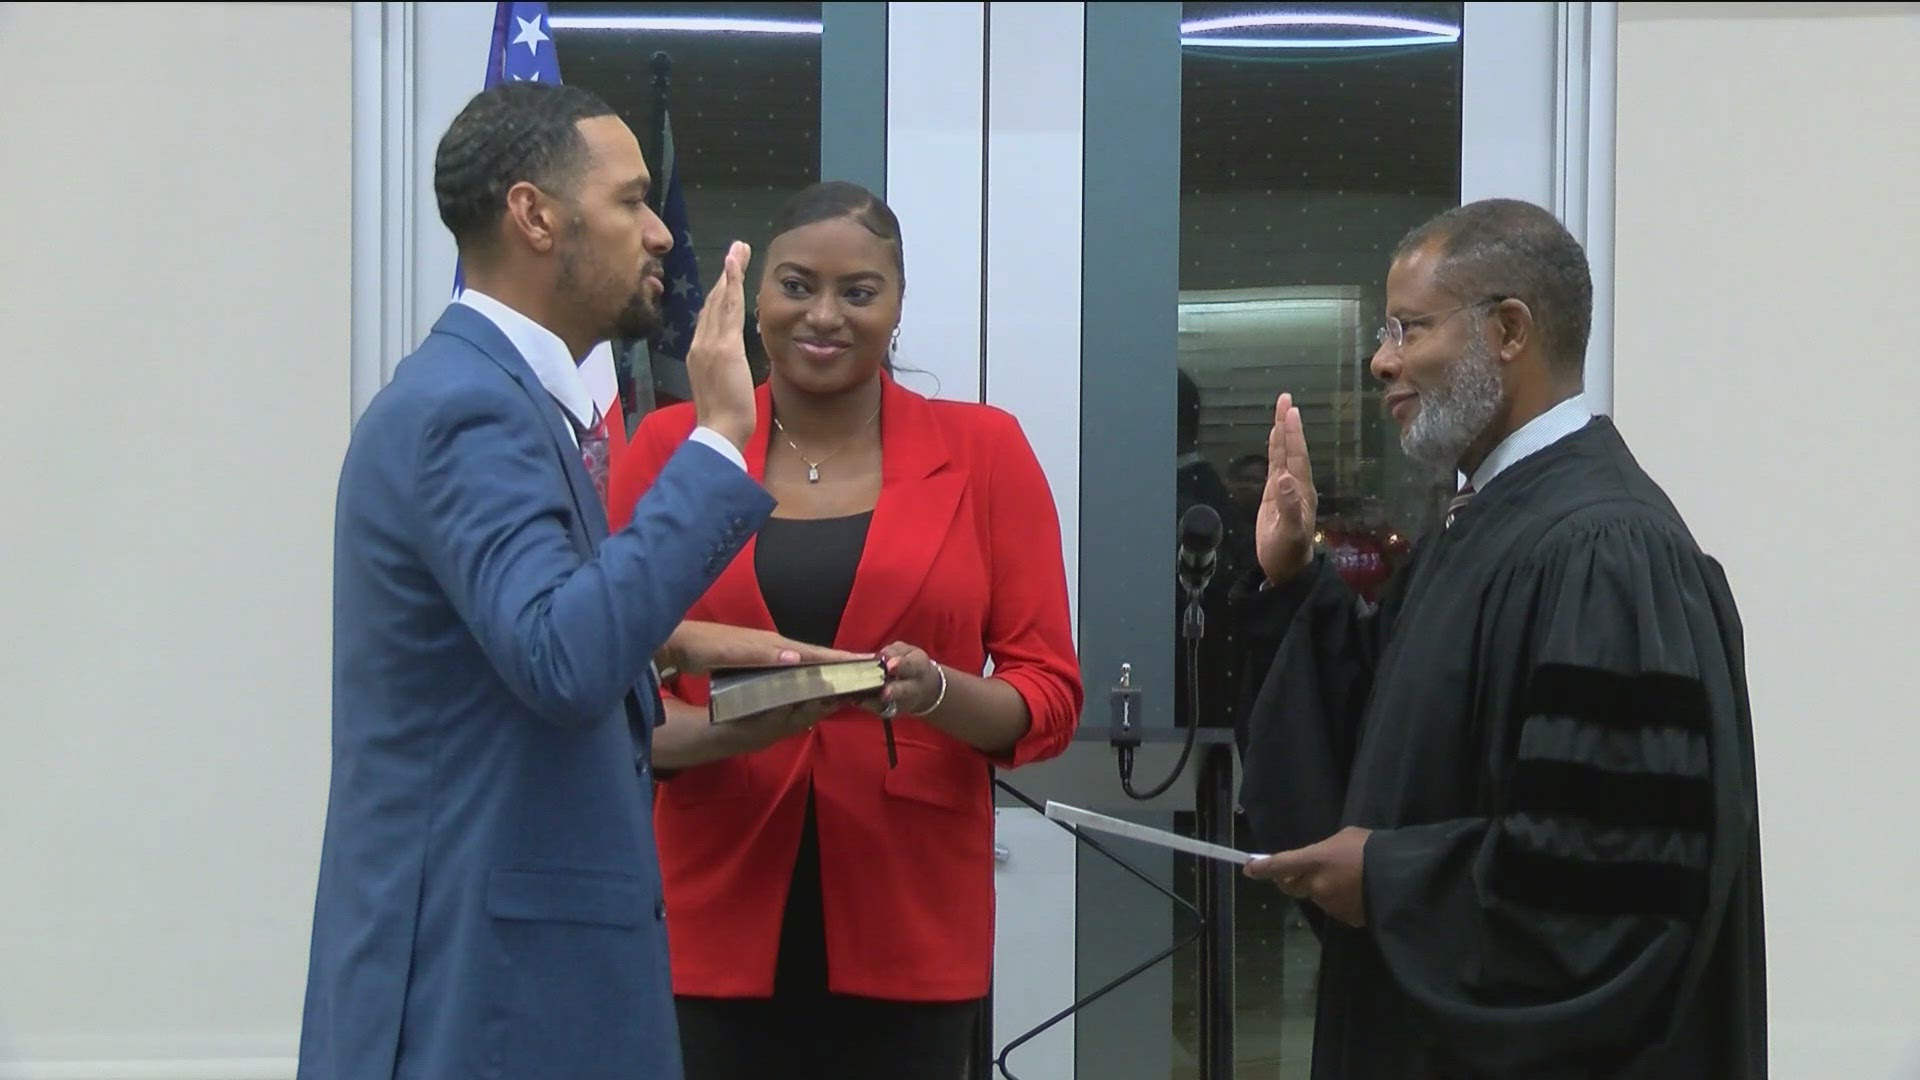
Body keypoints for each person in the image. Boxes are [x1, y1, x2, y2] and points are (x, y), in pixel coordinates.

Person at [298, 84, 854, 1080]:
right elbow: (562, 657)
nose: (660, 233)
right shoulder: (467, 409)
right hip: (481, 1001)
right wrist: (721, 439)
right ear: (534, 215)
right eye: (631, 201)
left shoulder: (502, 401)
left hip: (512, 990)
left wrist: (691, 653)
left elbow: (513, 656)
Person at [1233, 198, 1766, 1079]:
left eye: (1408, 328)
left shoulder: (1605, 550)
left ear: (1509, 330)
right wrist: (1295, 584)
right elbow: (1389, 747)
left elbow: (1605, 884)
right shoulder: (1479, 527)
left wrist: (1391, 880)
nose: (1381, 360)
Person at [605, 180, 1083, 1080]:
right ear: (757, 298)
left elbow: (1049, 696)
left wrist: (937, 692)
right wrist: (733, 731)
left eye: (858, 292)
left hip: (911, 919)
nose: (823, 315)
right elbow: (607, 692)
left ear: (897, 307)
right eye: (796, 285)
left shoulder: (986, 452)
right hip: (705, 912)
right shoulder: (674, 449)